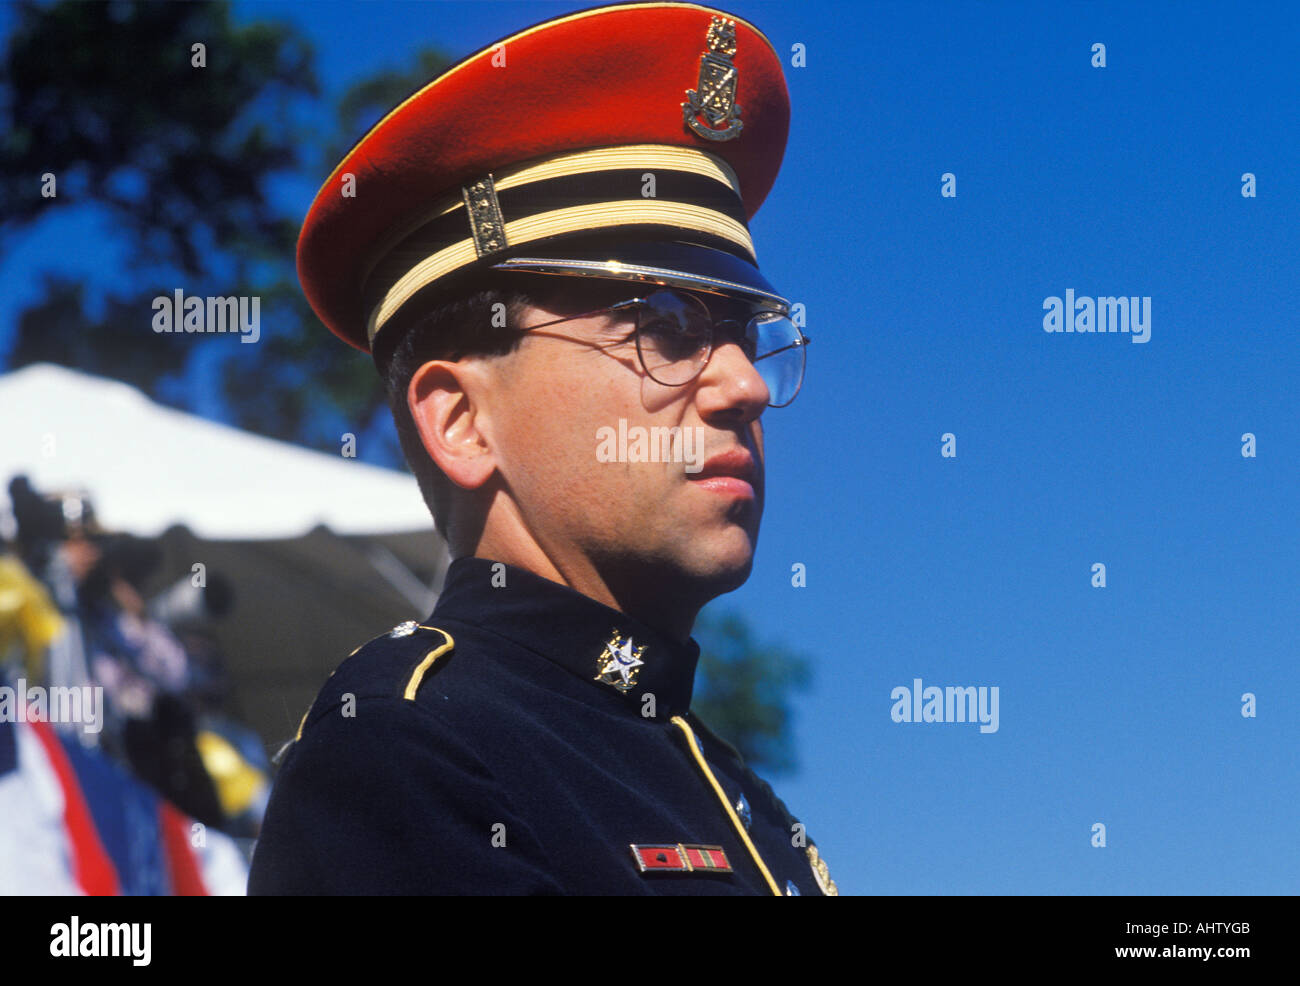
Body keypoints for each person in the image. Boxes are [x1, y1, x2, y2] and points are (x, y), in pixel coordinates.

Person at [249, 1, 835, 896]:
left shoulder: (737, 794)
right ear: (461, 422)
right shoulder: (408, 751)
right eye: (666, 325)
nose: (745, 386)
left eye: (742, 335)